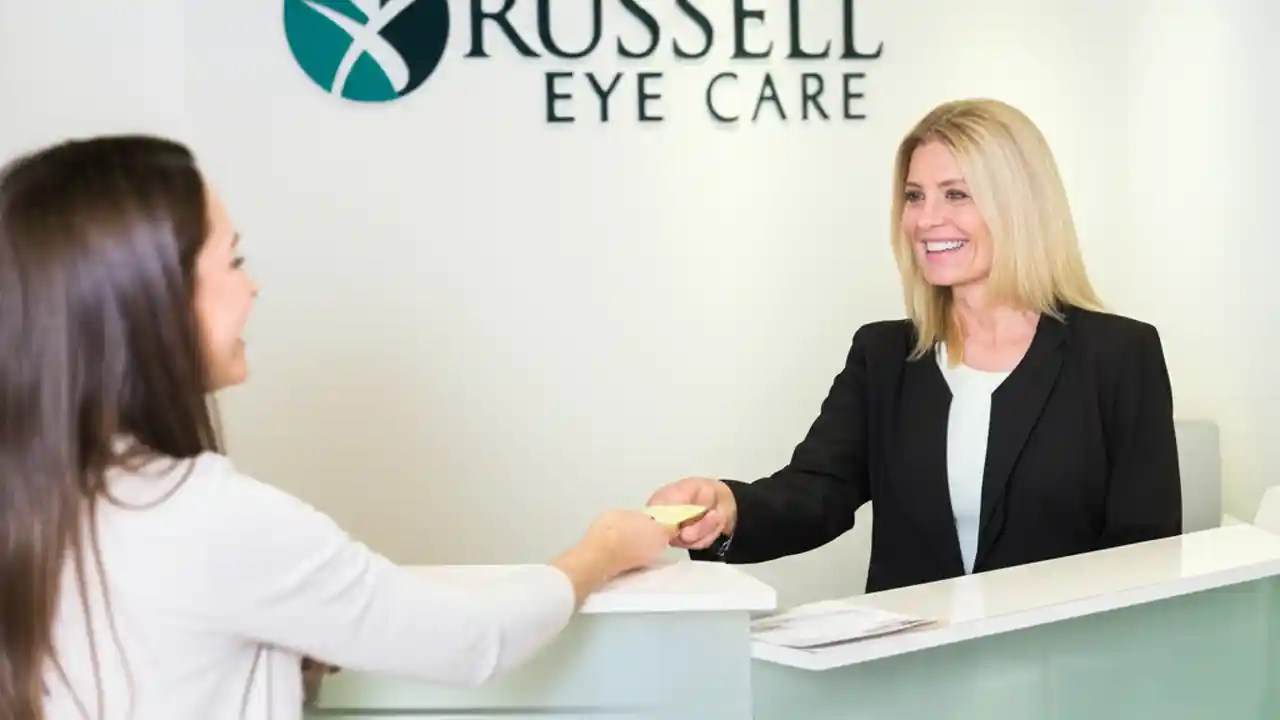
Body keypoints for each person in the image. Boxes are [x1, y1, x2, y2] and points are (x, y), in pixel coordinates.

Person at [0, 136, 676, 720]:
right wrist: (603, 551)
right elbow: (472, 642)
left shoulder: (37, 495)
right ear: (153, 300)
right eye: (233, 260)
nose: (254, 287)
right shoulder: (203, 515)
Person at [647, 98, 1181, 594]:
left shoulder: (1118, 356)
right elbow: (817, 493)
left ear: (1019, 207)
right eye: (914, 196)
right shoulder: (883, 355)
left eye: (956, 194)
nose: (926, 220)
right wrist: (728, 505)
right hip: (913, 677)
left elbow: (1145, 556)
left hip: (1062, 676)